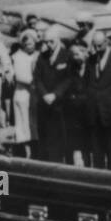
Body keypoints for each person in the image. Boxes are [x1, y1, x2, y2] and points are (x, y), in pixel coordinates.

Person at [83, 31, 111, 170]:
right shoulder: (91, 60)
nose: (97, 49)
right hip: (93, 111)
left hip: (109, 111)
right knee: (96, 150)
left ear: (106, 42)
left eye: (100, 45)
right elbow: (87, 82)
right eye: (95, 46)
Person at [33, 27, 74, 163]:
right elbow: (37, 78)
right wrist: (44, 94)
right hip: (44, 104)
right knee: (45, 138)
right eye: (46, 42)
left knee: (61, 138)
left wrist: (56, 94)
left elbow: (69, 79)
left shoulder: (67, 55)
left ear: (58, 40)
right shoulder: (42, 57)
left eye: (51, 42)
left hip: (60, 105)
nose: (48, 45)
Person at [10, 30, 39, 152]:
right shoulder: (17, 57)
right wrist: (36, 82)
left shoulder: (38, 55)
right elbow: (19, 77)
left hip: (35, 94)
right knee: (23, 124)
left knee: (34, 124)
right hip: (23, 93)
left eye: (32, 43)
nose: (29, 46)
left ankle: (35, 149)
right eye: (27, 44)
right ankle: (27, 150)